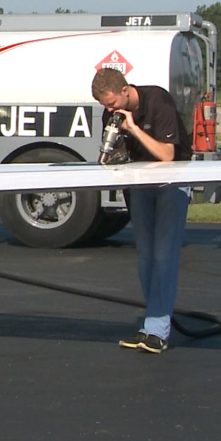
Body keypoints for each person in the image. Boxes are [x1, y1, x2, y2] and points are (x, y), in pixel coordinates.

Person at [91, 67, 192, 354]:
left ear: (126, 91)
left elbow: (167, 156)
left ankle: (157, 330)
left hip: (172, 181)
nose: (110, 110)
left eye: (112, 103)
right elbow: (113, 154)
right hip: (140, 182)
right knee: (145, 255)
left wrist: (133, 128)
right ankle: (152, 325)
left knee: (164, 254)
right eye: (105, 106)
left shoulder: (158, 101)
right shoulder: (112, 112)